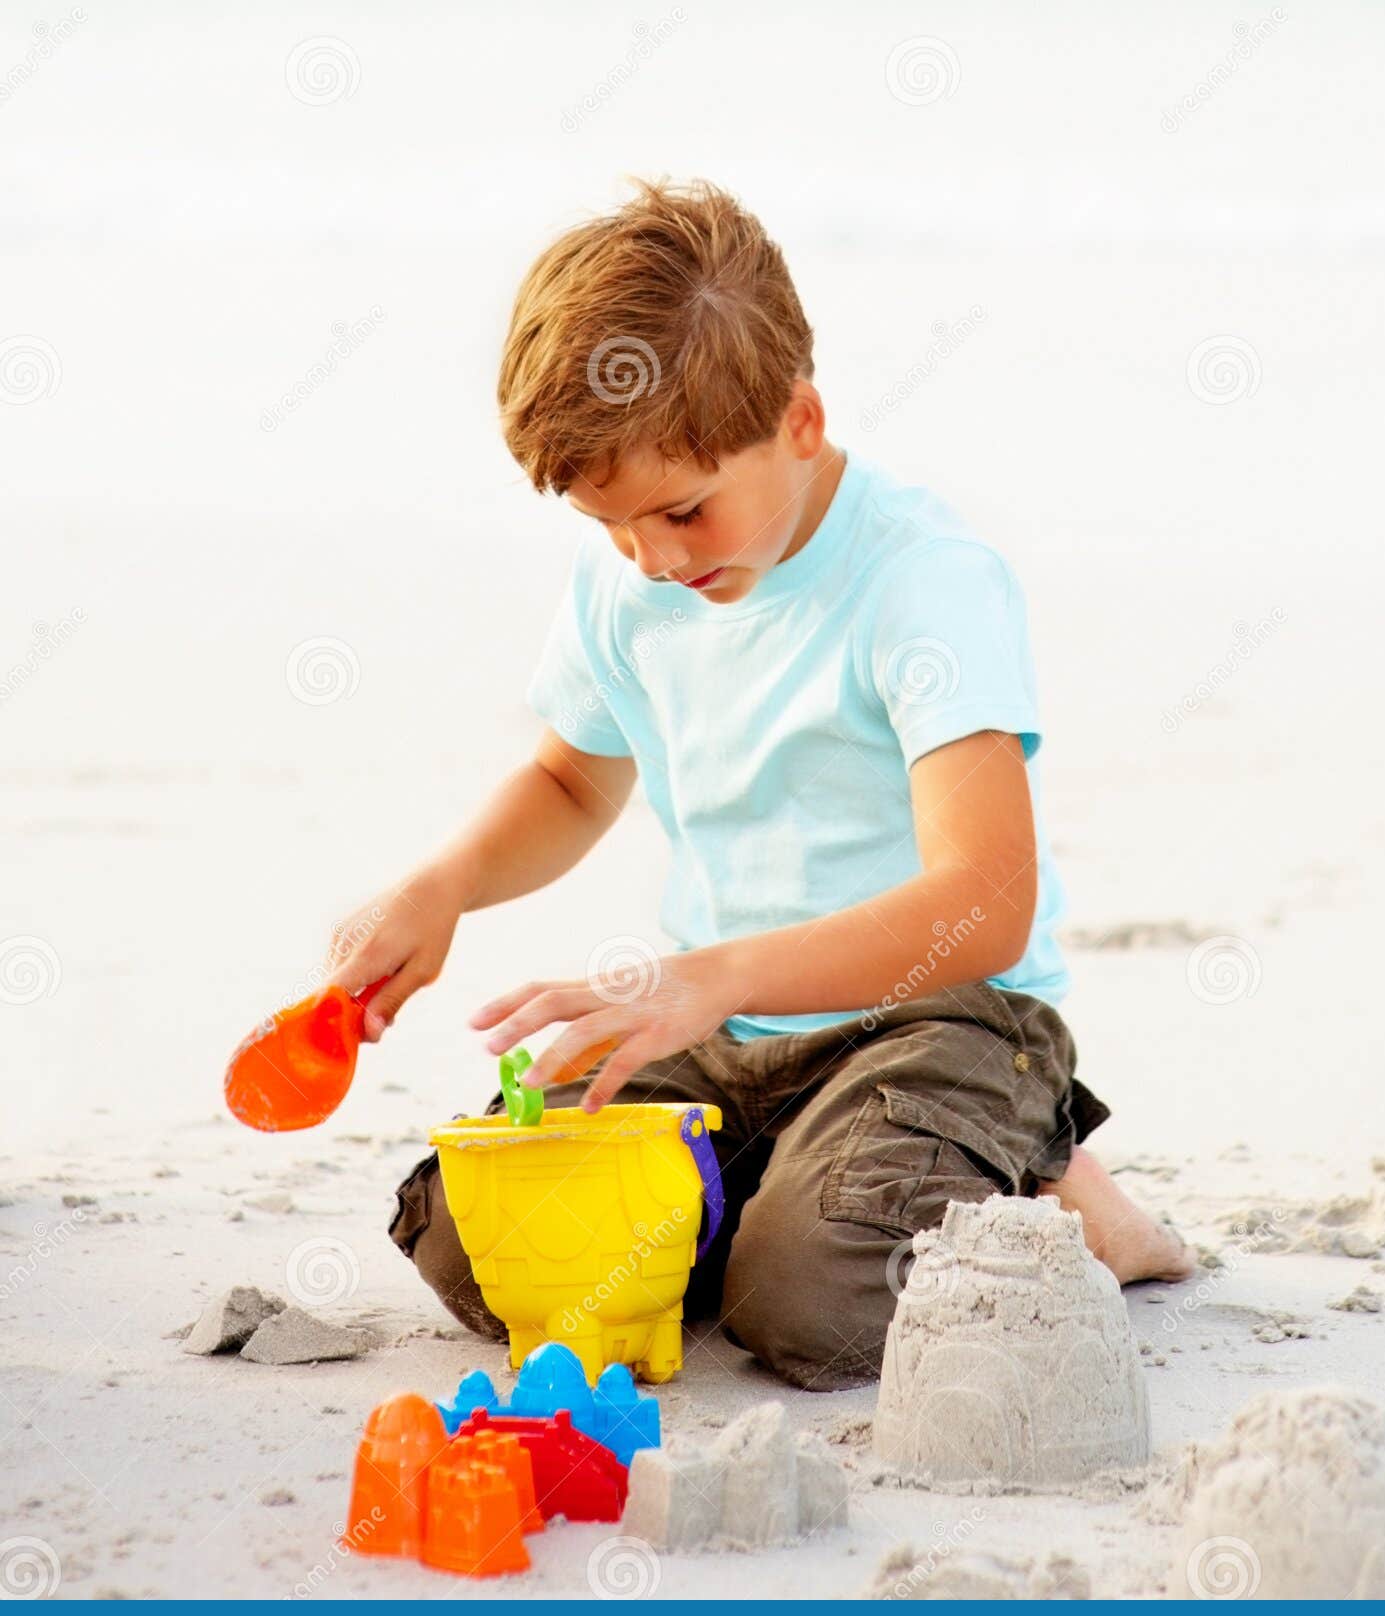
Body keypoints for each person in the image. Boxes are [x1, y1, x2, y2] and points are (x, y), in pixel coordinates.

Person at [330, 178, 1191, 1391]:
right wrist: (446, 885)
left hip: (943, 1021)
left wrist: (709, 977)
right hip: (723, 1034)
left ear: (799, 418)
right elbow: (572, 782)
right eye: (613, 526)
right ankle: (799, 1198)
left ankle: (1053, 1187)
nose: (656, 558)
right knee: (483, 1249)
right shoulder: (633, 582)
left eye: (682, 509)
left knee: (806, 1307)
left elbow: (979, 903)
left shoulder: (921, 582)